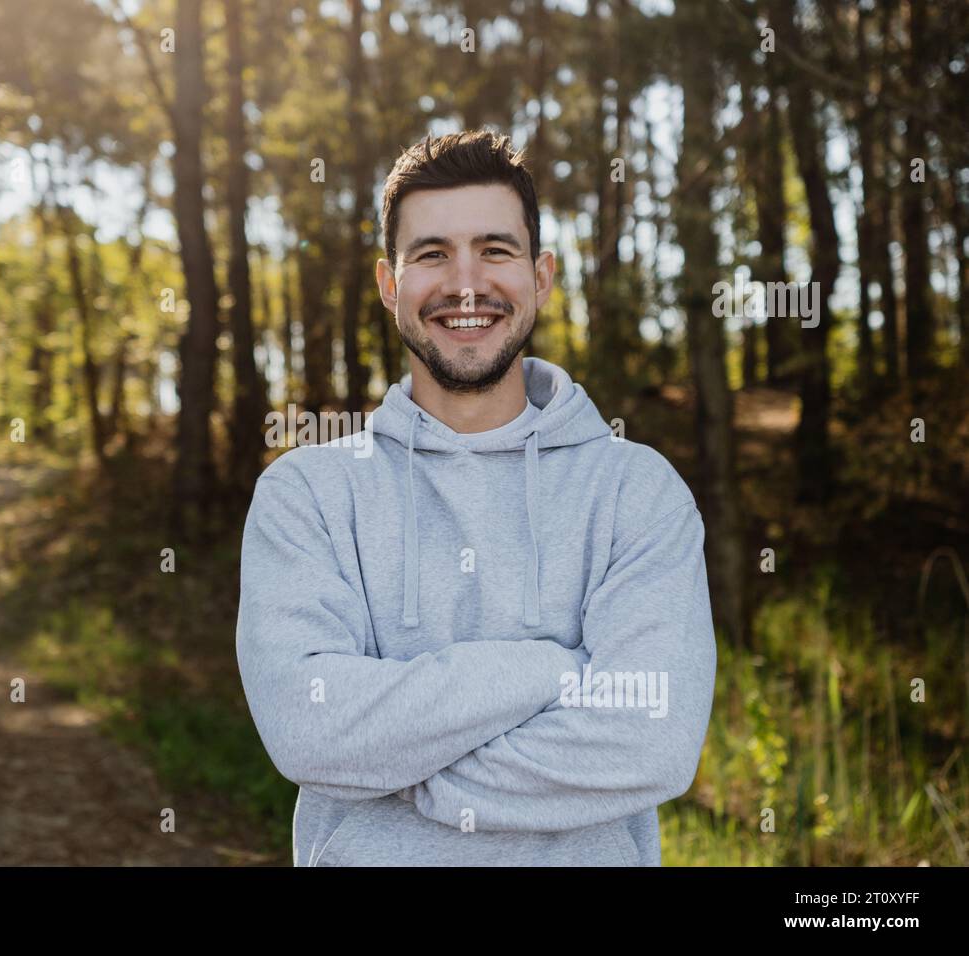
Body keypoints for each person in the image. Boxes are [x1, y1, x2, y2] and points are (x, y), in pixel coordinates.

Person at [235, 129, 717, 866]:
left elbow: (652, 738)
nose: (465, 284)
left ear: (542, 277)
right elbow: (310, 727)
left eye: (495, 250)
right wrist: (552, 672)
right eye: (431, 254)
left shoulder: (637, 492)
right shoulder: (308, 496)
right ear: (389, 284)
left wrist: (410, 775)